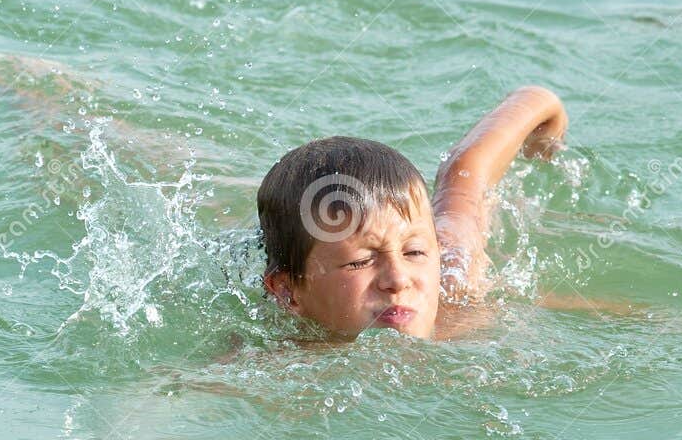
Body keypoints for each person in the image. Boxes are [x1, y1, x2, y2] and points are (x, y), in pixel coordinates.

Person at [256, 86, 609, 340]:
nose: (398, 279)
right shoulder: (270, 364)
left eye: (414, 254)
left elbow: (472, 165)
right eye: (361, 261)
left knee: (462, 186)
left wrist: (545, 111)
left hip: (448, 239)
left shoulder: (459, 296)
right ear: (288, 292)